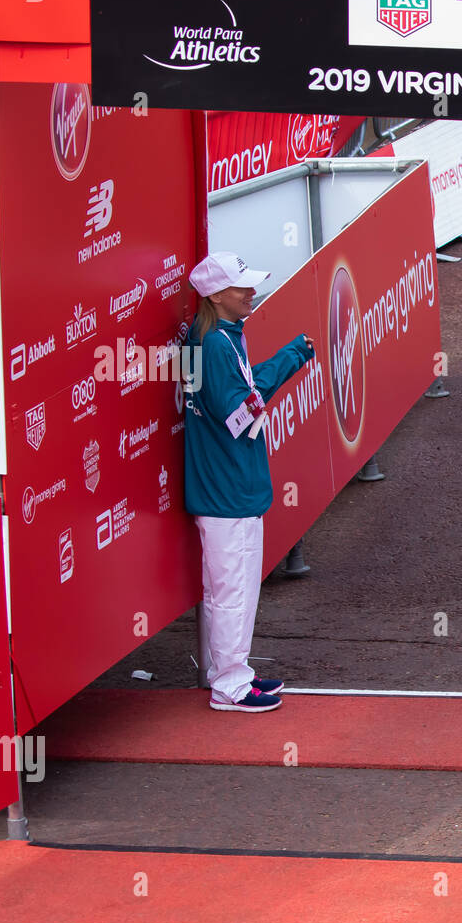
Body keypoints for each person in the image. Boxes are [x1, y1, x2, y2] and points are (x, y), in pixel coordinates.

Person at [184, 252, 315, 712]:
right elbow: (241, 417)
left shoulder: (217, 337)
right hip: (228, 492)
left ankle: (230, 674)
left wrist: (285, 361)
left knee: (227, 592)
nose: (251, 292)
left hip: (225, 488)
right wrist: (289, 361)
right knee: (232, 594)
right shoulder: (215, 345)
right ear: (217, 295)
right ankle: (230, 688)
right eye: (242, 287)